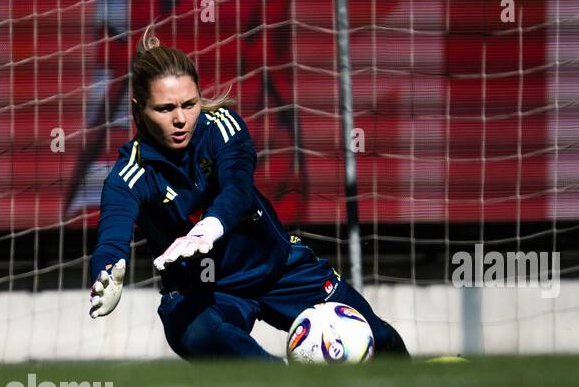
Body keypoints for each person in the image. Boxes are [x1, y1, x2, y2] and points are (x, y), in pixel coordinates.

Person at [88, 29, 408, 360]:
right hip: (202, 293)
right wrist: (105, 275)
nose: (181, 118)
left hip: (277, 268)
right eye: (165, 108)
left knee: (377, 337)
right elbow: (111, 240)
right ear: (138, 110)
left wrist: (208, 228)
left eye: (189, 103)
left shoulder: (221, 127)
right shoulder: (127, 177)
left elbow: (236, 188)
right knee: (213, 342)